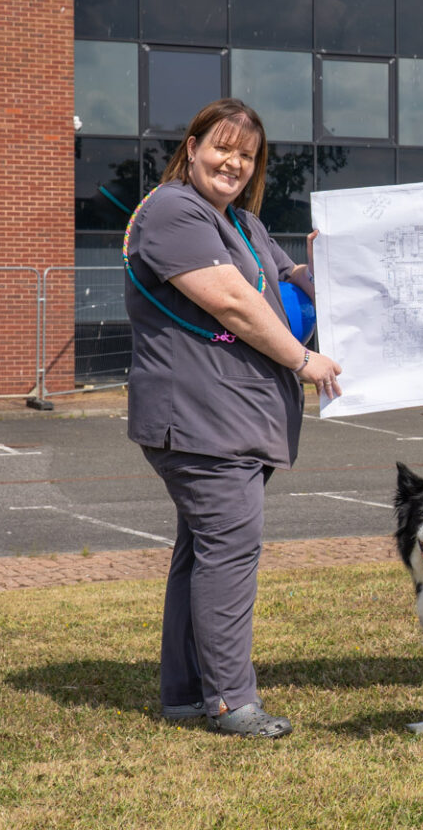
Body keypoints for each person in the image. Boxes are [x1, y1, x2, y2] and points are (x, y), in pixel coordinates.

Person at [124, 97, 341, 739]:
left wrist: (328, 264)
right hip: (201, 421)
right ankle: (229, 700)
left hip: (234, 422)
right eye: (221, 147)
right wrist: (304, 361)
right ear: (190, 147)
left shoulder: (242, 223)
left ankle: (187, 693)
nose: (234, 162)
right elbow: (237, 306)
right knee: (229, 551)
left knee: (202, 553)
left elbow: (288, 280)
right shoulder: (173, 210)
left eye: (247, 155)